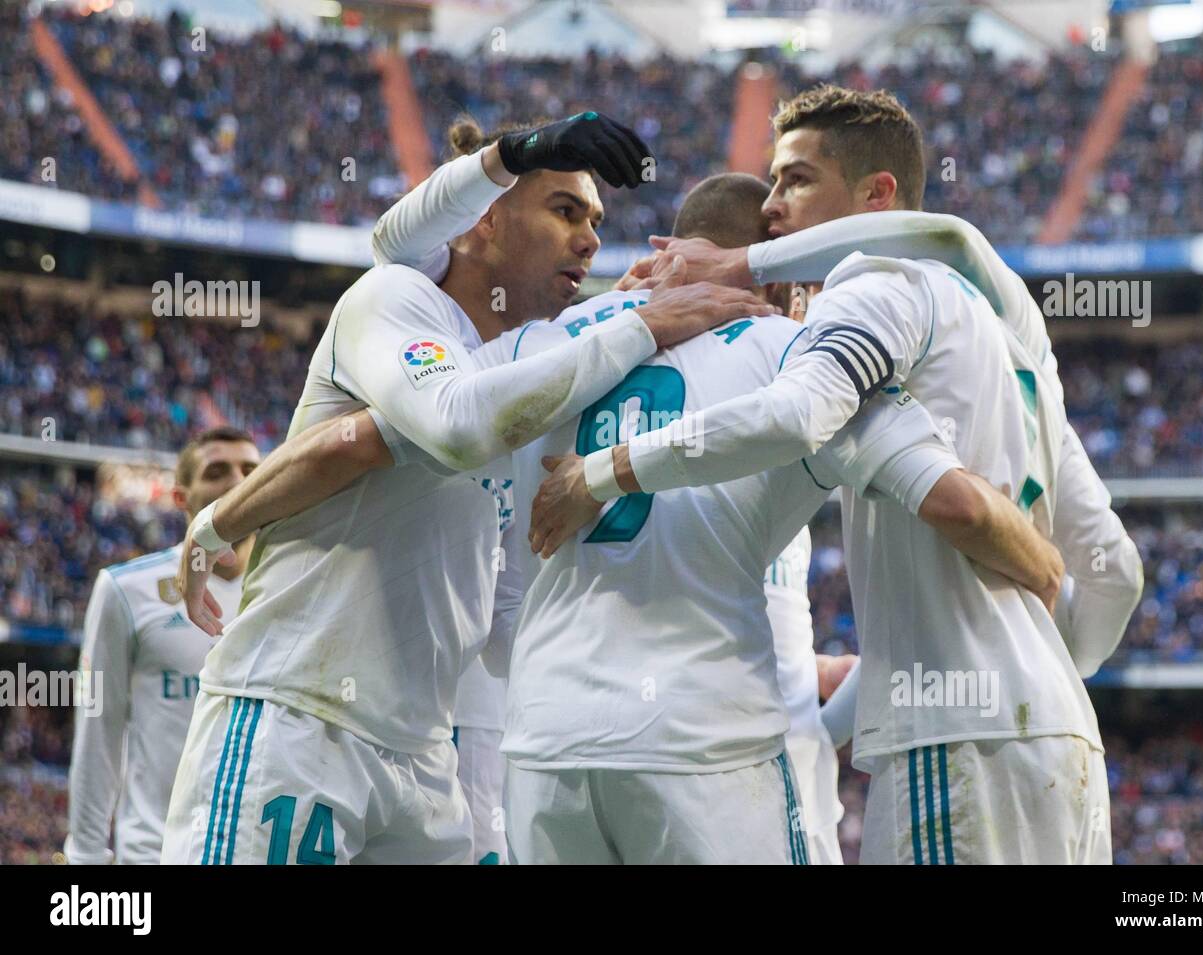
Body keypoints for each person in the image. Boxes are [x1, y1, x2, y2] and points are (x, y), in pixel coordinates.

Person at [531, 86, 1142, 864]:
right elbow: (1115, 570)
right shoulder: (1016, 338)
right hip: (1060, 738)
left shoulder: (869, 288)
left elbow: (801, 416)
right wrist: (1043, 655)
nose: (775, 204)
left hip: (951, 746)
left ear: (876, 195)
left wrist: (608, 470)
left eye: (795, 180)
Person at [162, 113, 769, 865]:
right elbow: (452, 424)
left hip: (422, 758)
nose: (589, 239)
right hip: (294, 716)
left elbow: (507, 606)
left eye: (597, 221)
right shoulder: (394, 300)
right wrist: (639, 324)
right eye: (565, 210)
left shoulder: (537, 368)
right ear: (482, 218)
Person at [65, 427, 260, 864]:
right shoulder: (126, 589)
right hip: (155, 853)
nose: (237, 481)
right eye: (217, 471)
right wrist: (85, 856)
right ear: (181, 497)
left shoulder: (292, 591)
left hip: (254, 851)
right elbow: (98, 730)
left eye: (251, 470)